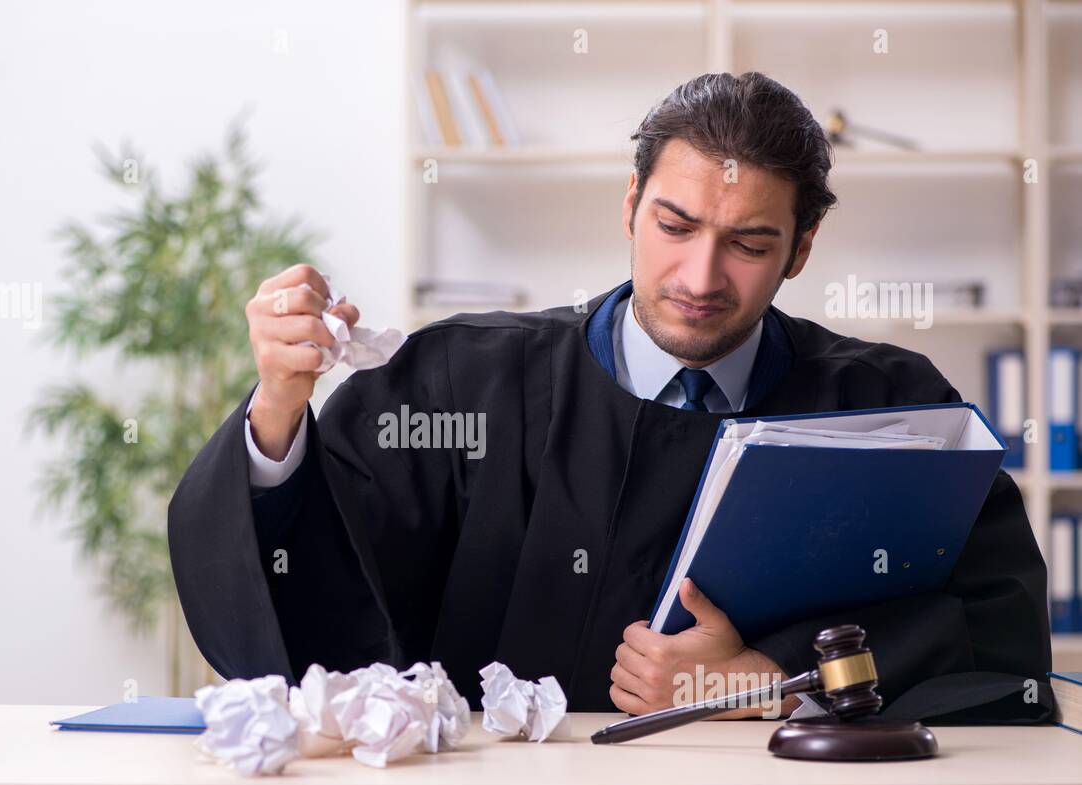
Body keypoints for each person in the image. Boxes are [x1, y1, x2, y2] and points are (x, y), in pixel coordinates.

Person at [168, 72, 1053, 724]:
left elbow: (993, 640)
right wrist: (279, 410)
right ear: (631, 204)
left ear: (803, 247)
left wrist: (767, 679)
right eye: (675, 226)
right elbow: (315, 608)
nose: (700, 277)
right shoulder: (459, 384)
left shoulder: (885, 408)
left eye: (749, 242)